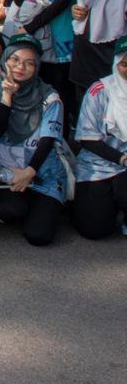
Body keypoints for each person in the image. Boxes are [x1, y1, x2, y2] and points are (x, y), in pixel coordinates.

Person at [0, 36, 69, 246]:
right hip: (9, 172)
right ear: (5, 61)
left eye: (29, 62)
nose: (20, 67)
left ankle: (47, 206)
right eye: (14, 59)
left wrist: (29, 172)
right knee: (10, 211)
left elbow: (48, 138)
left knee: (38, 236)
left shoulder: (50, 97)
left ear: (37, 67)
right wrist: (7, 96)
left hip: (42, 172)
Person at [72, 37, 127, 239]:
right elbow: (87, 138)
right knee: (94, 230)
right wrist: (121, 158)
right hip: (98, 164)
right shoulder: (99, 91)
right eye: (124, 64)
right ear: (116, 64)